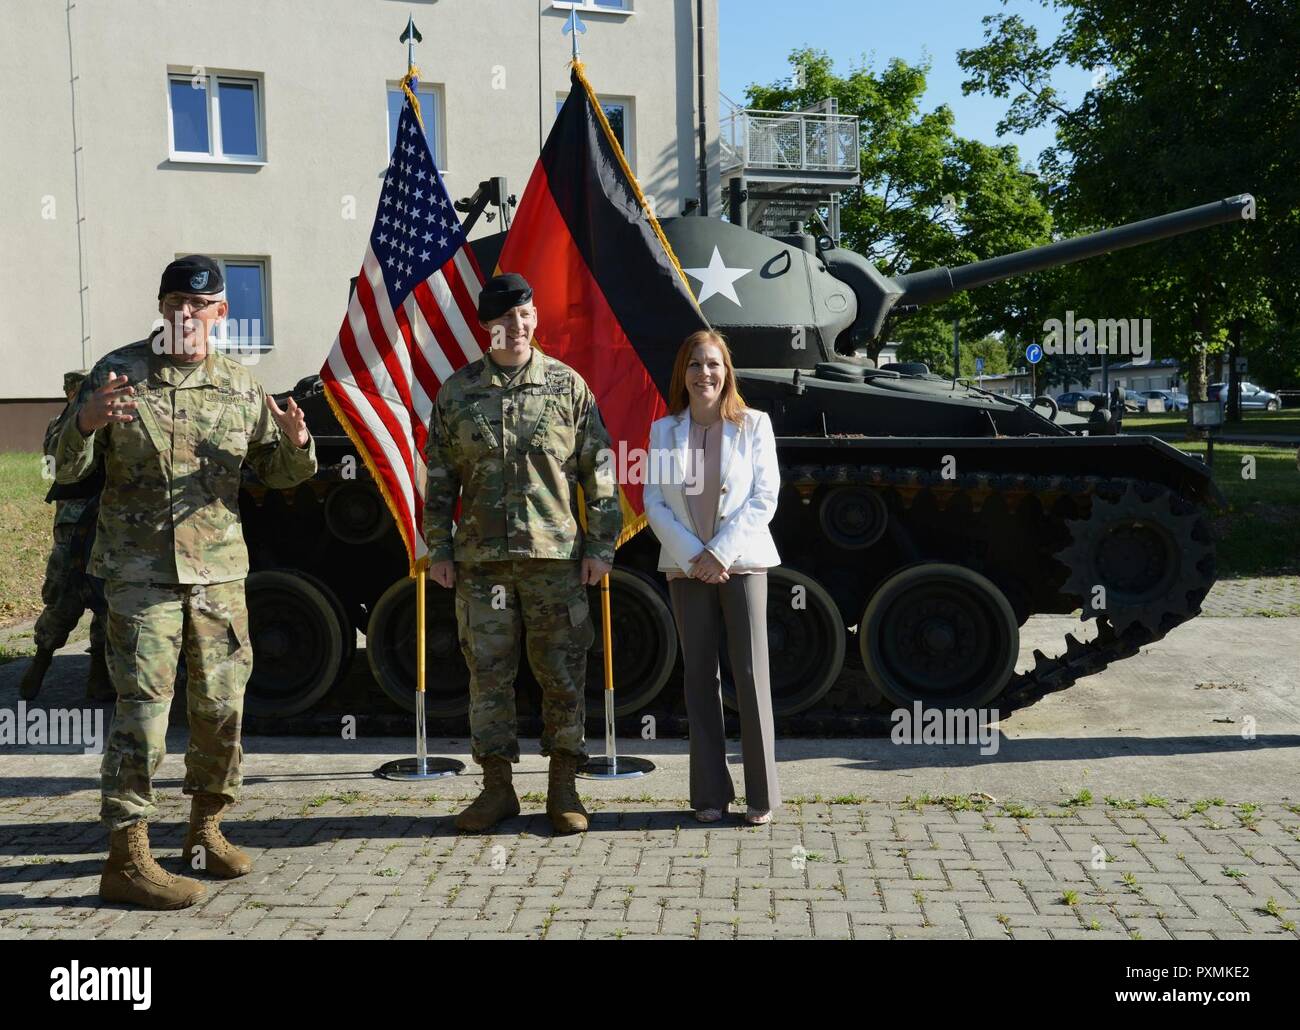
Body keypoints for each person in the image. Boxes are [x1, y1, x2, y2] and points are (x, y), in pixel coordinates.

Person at [55, 255, 317, 909]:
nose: (187, 314)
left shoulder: (239, 387)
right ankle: (128, 860)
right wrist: (83, 423)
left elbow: (281, 477)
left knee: (221, 712)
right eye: (176, 302)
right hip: (138, 576)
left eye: (201, 305)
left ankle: (203, 835)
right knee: (142, 716)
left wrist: (297, 443)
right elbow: (59, 466)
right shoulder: (118, 373)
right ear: (162, 307)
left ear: (221, 313)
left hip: (220, 576)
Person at [423, 272, 621, 835]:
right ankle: (497, 790)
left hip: (554, 560)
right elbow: (438, 479)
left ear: (536, 320)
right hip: (481, 563)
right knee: (488, 677)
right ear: (487, 327)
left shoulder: (568, 387)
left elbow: (599, 471)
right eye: (504, 320)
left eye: (524, 316)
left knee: (561, 673)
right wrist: (438, 546)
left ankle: (564, 787)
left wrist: (601, 545)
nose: (516, 327)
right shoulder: (458, 393)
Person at [644, 330, 782, 825]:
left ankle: (762, 796)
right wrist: (693, 556)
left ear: (728, 372)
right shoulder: (663, 431)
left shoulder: (754, 426)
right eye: (695, 365)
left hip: (741, 564)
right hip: (685, 568)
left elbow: (764, 497)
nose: (705, 373)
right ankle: (709, 795)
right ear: (683, 373)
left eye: (714, 364)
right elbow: (654, 503)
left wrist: (720, 553)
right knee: (699, 677)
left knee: (749, 675)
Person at [19, 371, 110, 702]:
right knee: (63, 596)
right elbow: (55, 463)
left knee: (105, 602)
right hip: (73, 525)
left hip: (105, 523)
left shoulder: (108, 422)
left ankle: (99, 676)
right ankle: (40, 662)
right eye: (76, 392)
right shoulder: (64, 423)